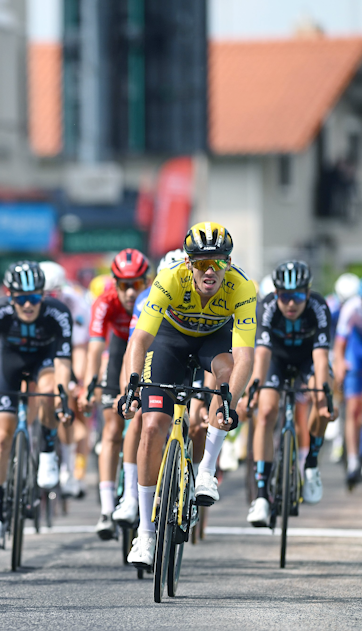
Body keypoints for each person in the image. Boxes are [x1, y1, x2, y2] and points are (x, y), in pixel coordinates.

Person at [122, 223, 256, 569]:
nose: (210, 270)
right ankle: (145, 533)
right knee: (151, 426)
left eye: (219, 262)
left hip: (214, 340)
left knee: (225, 379)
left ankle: (207, 469)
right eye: (201, 263)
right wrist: (133, 385)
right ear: (188, 263)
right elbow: (139, 340)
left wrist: (230, 402)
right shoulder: (169, 279)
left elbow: (246, 357)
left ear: (228, 263)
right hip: (170, 340)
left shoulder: (241, 287)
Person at [0, 261, 73, 548]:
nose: (29, 305)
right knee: (2, 435)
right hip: (10, 362)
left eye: (35, 298)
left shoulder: (58, 313)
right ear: (10, 295)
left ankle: (46, 452)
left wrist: (62, 397)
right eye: (21, 298)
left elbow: (64, 363)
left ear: (44, 295)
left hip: (44, 361)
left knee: (48, 390)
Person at [247, 261, 333, 526]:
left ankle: (312, 464)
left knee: (321, 402)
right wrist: (255, 387)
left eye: (297, 296)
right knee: (267, 411)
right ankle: (262, 496)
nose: (291, 304)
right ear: (276, 294)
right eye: (285, 296)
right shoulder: (268, 307)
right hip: (277, 359)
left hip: (308, 359)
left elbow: (320, 358)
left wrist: (323, 393)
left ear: (307, 294)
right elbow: (261, 354)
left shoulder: (319, 308)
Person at [76, 249, 149, 540]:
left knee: (145, 417)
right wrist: (89, 384)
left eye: (137, 284)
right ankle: (107, 509)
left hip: (146, 349)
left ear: (147, 282)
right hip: (118, 351)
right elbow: (95, 347)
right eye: (124, 285)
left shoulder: (153, 298)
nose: (131, 292)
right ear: (114, 283)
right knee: (111, 428)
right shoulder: (104, 301)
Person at [112, 249, 186, 529]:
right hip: (156, 355)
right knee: (139, 419)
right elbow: (134, 349)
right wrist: (128, 394)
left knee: (201, 418)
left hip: (191, 359)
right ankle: (131, 494)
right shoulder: (147, 299)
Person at [39, 261, 91, 498]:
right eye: (44, 294)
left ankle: (68, 467)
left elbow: (79, 349)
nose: (48, 298)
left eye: (53, 293)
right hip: (39, 349)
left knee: (65, 400)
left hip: (66, 352)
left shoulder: (75, 303)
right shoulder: (29, 302)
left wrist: (78, 381)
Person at [334, 277, 362, 488]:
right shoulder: (353, 307)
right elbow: (340, 343)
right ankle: (353, 460)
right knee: (353, 410)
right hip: (354, 354)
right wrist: (340, 365)